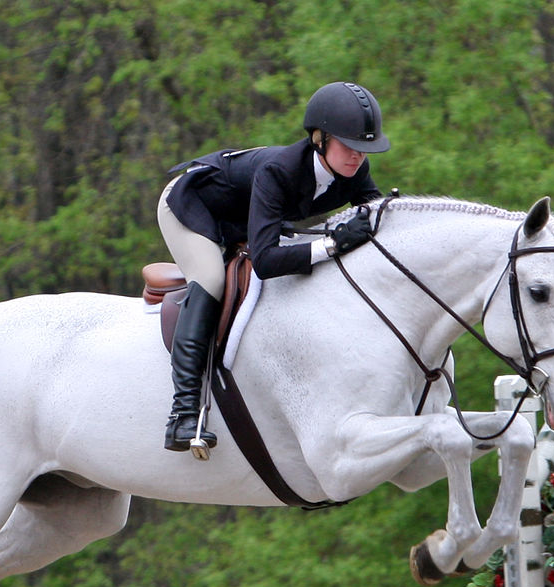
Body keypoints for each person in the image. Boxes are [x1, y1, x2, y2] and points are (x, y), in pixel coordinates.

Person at [156, 81, 390, 452]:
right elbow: (265, 262)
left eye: (364, 149)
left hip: (245, 217)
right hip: (193, 205)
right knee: (212, 279)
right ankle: (183, 414)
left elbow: (377, 217)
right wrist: (332, 244)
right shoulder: (278, 171)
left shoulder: (354, 170)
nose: (357, 157)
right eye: (349, 146)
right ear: (319, 139)